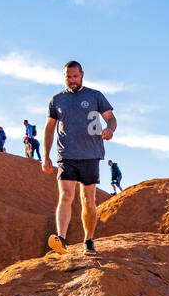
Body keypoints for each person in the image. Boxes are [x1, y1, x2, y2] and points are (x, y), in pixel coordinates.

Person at [42, 60, 117, 256]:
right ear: (64, 77)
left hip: (90, 154)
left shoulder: (95, 96)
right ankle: (62, 240)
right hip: (66, 154)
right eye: (68, 77)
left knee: (87, 199)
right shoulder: (57, 100)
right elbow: (49, 129)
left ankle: (88, 241)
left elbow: (110, 117)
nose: (72, 80)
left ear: (82, 75)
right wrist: (46, 156)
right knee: (66, 195)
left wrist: (110, 129)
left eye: (75, 76)